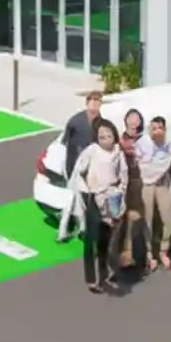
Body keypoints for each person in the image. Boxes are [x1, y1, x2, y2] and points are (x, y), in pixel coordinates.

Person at [70, 119, 127, 294]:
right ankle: (91, 278)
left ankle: (103, 275)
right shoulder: (92, 151)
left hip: (111, 199)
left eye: (108, 136)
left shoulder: (118, 153)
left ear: (114, 136)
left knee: (105, 240)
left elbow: (124, 177)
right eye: (101, 136)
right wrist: (85, 189)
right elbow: (78, 171)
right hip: (94, 198)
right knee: (91, 239)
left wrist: (120, 194)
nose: (105, 139)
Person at [57, 91, 104, 243]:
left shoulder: (101, 123)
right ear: (87, 103)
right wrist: (67, 166)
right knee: (71, 198)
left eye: (98, 102)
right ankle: (63, 231)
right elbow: (65, 143)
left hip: (89, 168)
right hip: (74, 166)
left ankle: (83, 228)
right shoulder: (76, 121)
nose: (95, 105)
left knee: (83, 200)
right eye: (93, 102)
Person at [136, 116, 171, 270]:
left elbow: (168, 160)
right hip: (146, 185)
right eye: (154, 128)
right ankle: (149, 253)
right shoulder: (142, 143)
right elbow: (138, 163)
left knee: (168, 218)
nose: (157, 131)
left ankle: (164, 250)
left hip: (163, 183)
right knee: (147, 218)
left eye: (160, 128)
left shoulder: (169, 144)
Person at [113, 109, 149, 274]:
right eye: (131, 121)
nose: (134, 124)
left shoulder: (144, 141)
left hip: (140, 184)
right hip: (124, 185)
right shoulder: (119, 141)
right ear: (126, 122)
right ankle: (121, 256)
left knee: (139, 221)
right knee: (123, 221)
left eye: (137, 121)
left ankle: (141, 256)